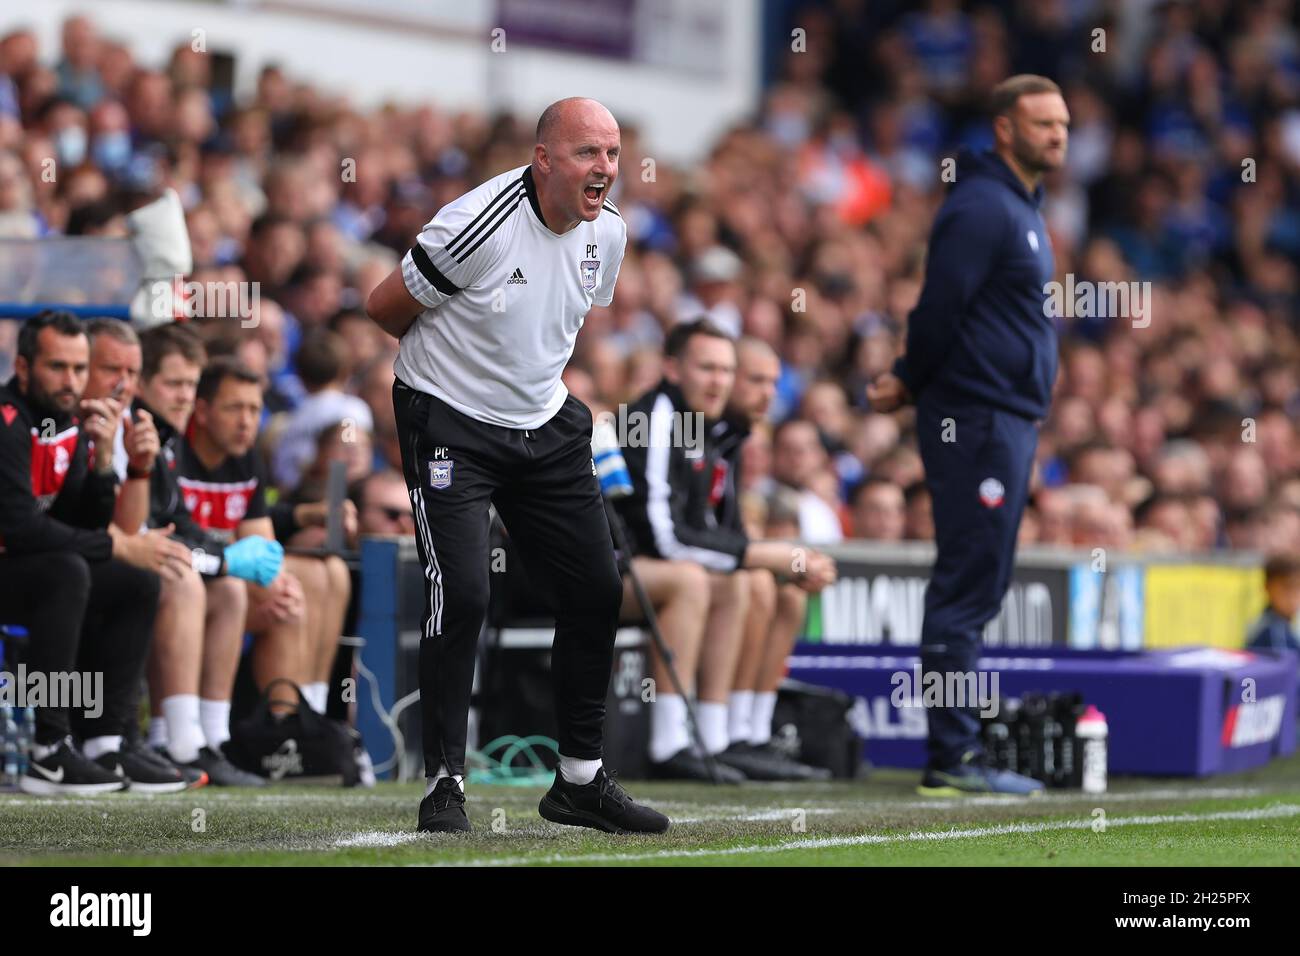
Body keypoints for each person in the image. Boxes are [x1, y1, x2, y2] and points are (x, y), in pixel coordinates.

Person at [365, 97, 667, 834]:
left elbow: (562, 321)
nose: (605, 169)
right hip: (449, 419)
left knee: (598, 588)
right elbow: (383, 308)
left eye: (613, 154)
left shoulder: (611, 236)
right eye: (588, 153)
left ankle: (580, 781)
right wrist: (459, 378)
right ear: (543, 160)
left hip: (542, 419)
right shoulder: (476, 225)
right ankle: (444, 780)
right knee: (464, 591)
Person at [867, 75, 1067, 797]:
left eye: (1065, 124)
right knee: (966, 583)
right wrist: (910, 377)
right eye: (1043, 122)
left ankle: (959, 751)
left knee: (980, 582)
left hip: (1004, 418)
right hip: (976, 418)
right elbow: (937, 308)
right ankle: (951, 757)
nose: (1058, 135)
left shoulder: (1023, 208)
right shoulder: (982, 205)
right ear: (1005, 128)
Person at [616, 321, 837, 781]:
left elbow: (719, 533)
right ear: (674, 369)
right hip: (602, 573)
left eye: (726, 370)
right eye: (709, 369)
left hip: (652, 569)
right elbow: (667, 539)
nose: (720, 381)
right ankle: (671, 742)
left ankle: (735, 736)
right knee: (706, 578)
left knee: (764, 584)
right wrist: (771, 554)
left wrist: (773, 561)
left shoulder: (711, 431)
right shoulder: (654, 417)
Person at [0, 311, 188, 793]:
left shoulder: (66, 422)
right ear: (23, 368)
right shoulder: (7, 421)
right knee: (69, 570)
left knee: (136, 581)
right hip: (19, 562)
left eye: (79, 369)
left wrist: (104, 459)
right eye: (57, 367)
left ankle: (104, 741)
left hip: (27, 568)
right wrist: (116, 544)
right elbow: (21, 528)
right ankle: (49, 749)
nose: (71, 382)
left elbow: (78, 519)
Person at [132, 324, 275, 785]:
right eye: (173, 384)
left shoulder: (165, 437)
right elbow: (153, 531)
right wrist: (222, 558)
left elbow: (183, 525)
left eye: (190, 384)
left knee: (231, 589)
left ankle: (212, 738)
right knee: (188, 577)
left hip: (148, 561)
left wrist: (226, 558)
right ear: (141, 382)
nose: (183, 396)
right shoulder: (136, 430)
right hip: (114, 564)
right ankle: (177, 741)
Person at [1245, 553, 1300, 654]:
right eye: (1287, 588)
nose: (1294, 596)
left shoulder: (1290, 624)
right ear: (1267, 587)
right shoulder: (1271, 631)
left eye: (1298, 588)